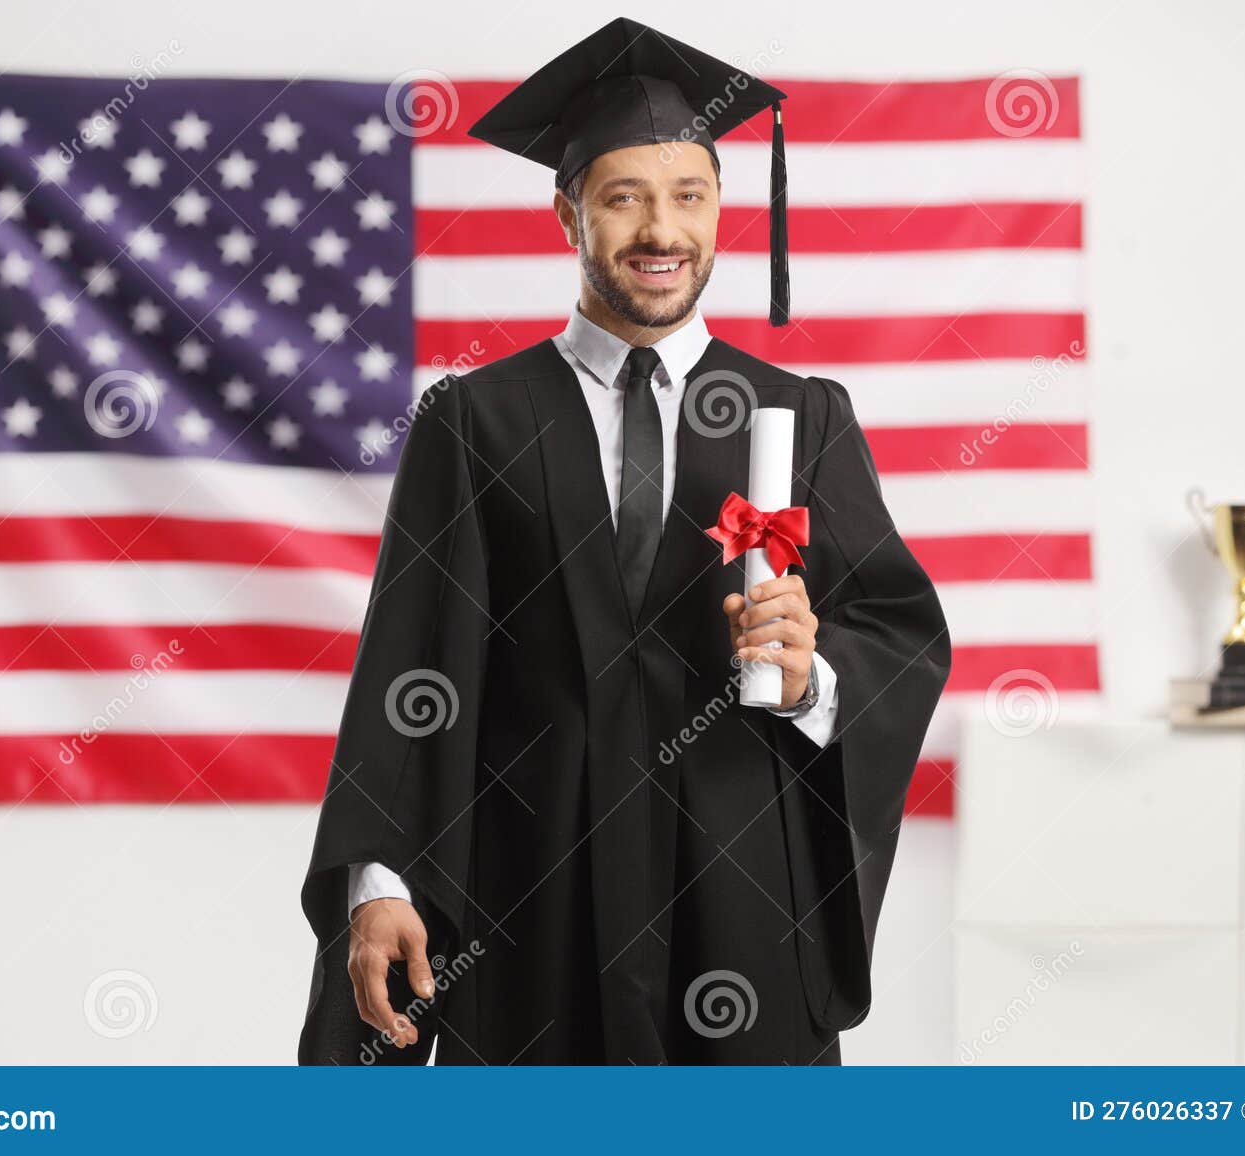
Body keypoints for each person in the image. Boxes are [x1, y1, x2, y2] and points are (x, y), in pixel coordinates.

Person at [297, 16, 951, 1065]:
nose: (662, 228)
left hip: (741, 892)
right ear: (569, 214)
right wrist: (381, 880)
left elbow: (898, 631)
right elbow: (412, 667)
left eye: (689, 194)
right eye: (624, 196)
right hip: (534, 892)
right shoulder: (477, 421)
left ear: (720, 209)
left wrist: (808, 676)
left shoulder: (803, 416)